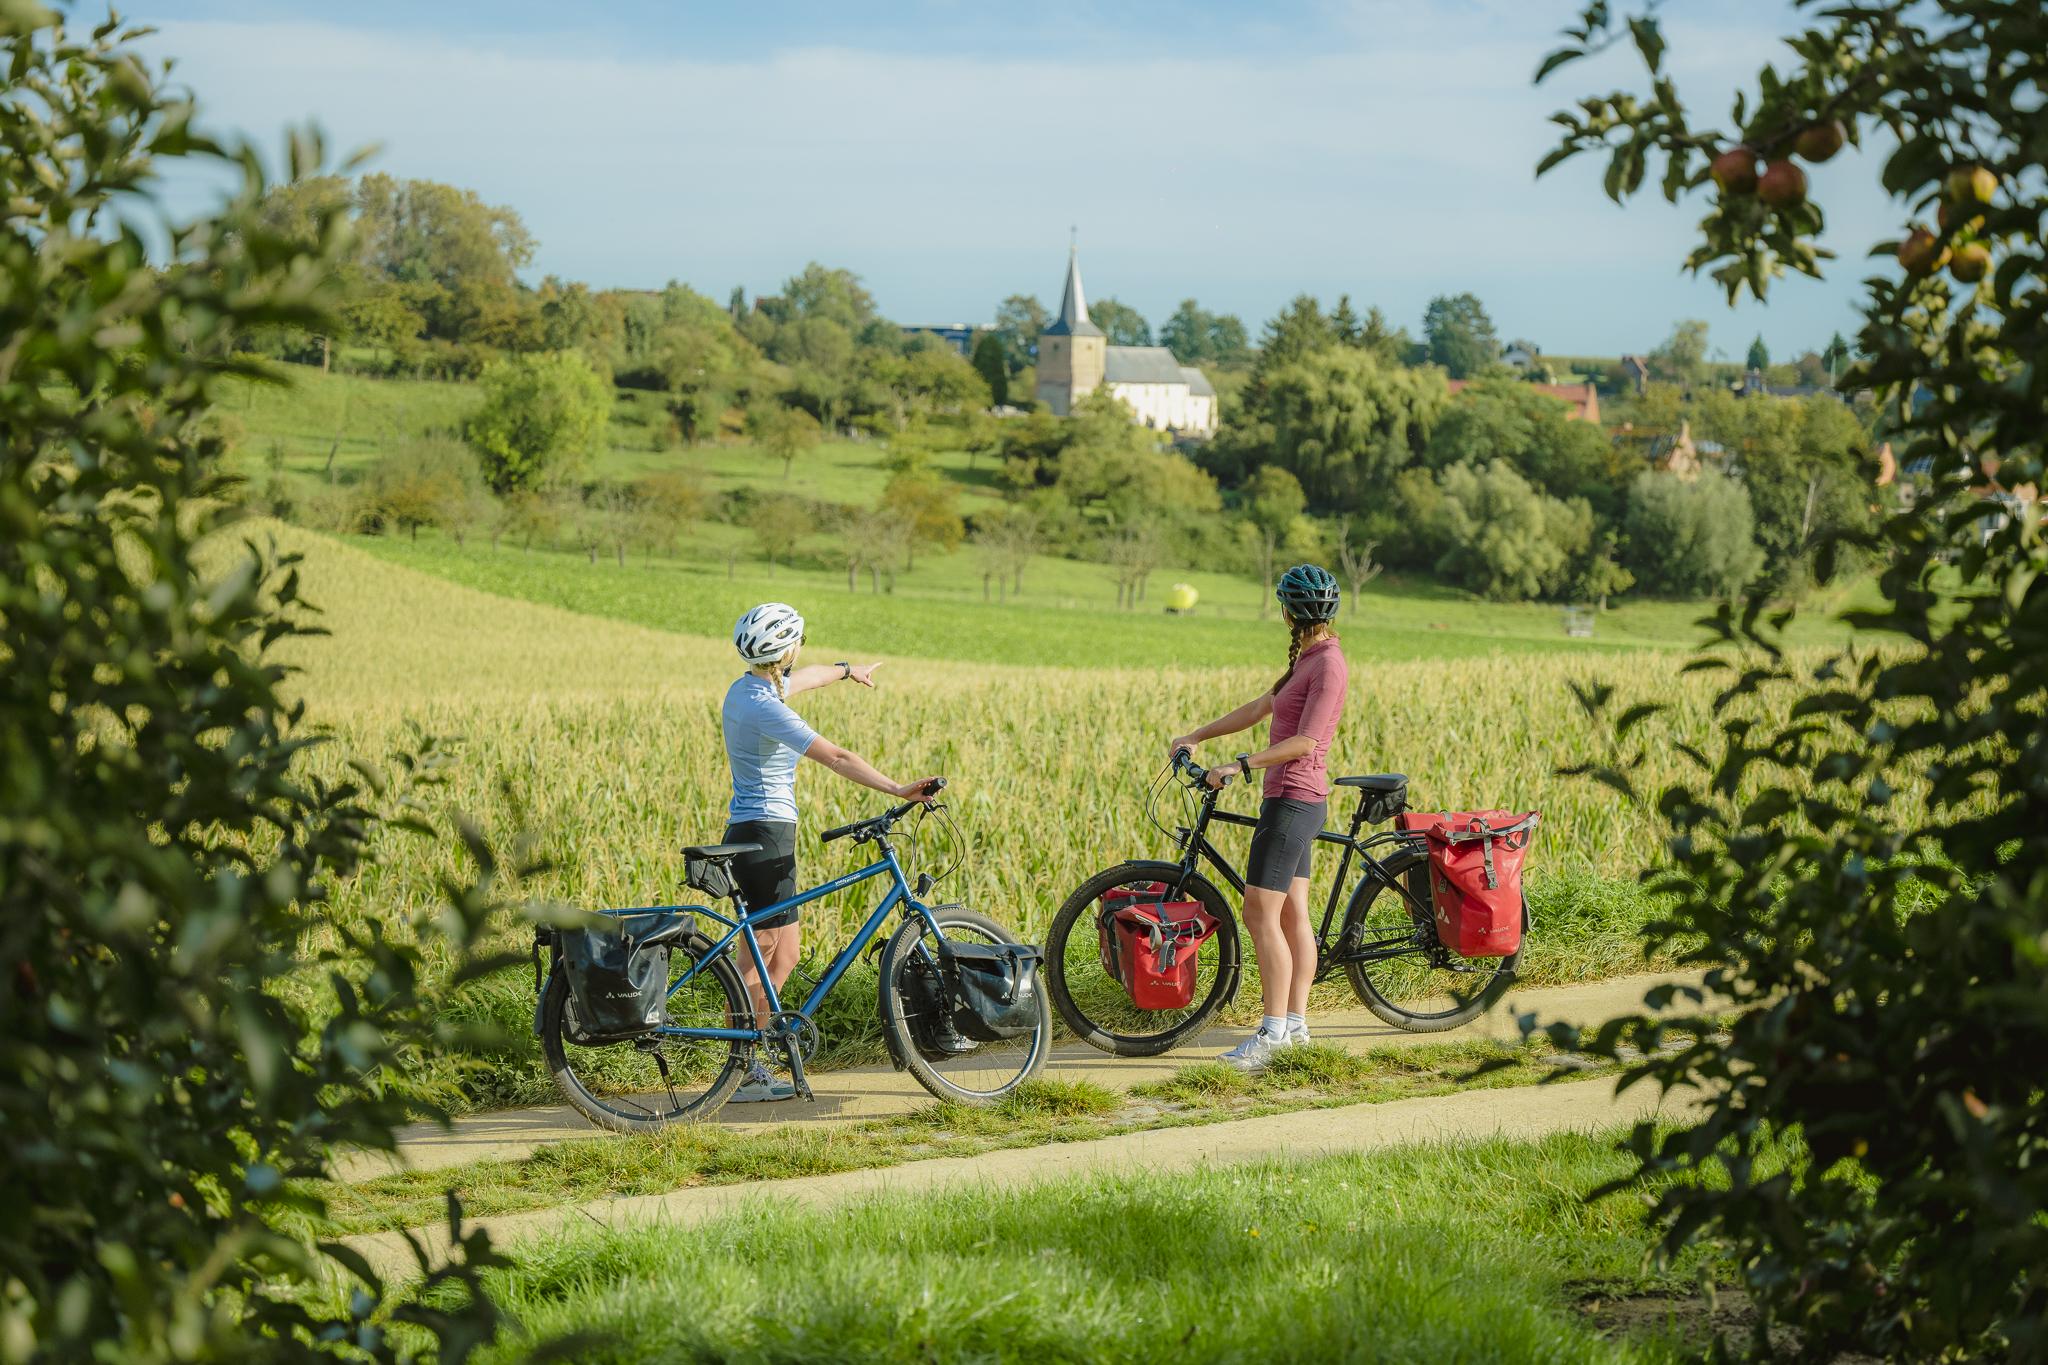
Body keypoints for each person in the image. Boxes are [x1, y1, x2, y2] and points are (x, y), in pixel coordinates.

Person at [721, 602, 941, 1102]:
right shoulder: (766, 706)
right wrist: (898, 788)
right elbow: (837, 757)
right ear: (787, 649)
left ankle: (760, 1044)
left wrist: (847, 672)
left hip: (760, 831)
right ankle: (747, 1064)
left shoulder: (751, 687)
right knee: (757, 956)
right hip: (765, 834)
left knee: (786, 952)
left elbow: (809, 677)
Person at [1167, 564, 1349, 1071]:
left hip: (1294, 801)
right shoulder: (1309, 658)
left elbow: (1307, 742)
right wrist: (1198, 735)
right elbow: (1260, 708)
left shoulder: (1328, 665)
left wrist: (1238, 765)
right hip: (1294, 799)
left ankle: (1271, 1035)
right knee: (1292, 916)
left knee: (1259, 914)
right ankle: (1294, 1029)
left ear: (1289, 611)